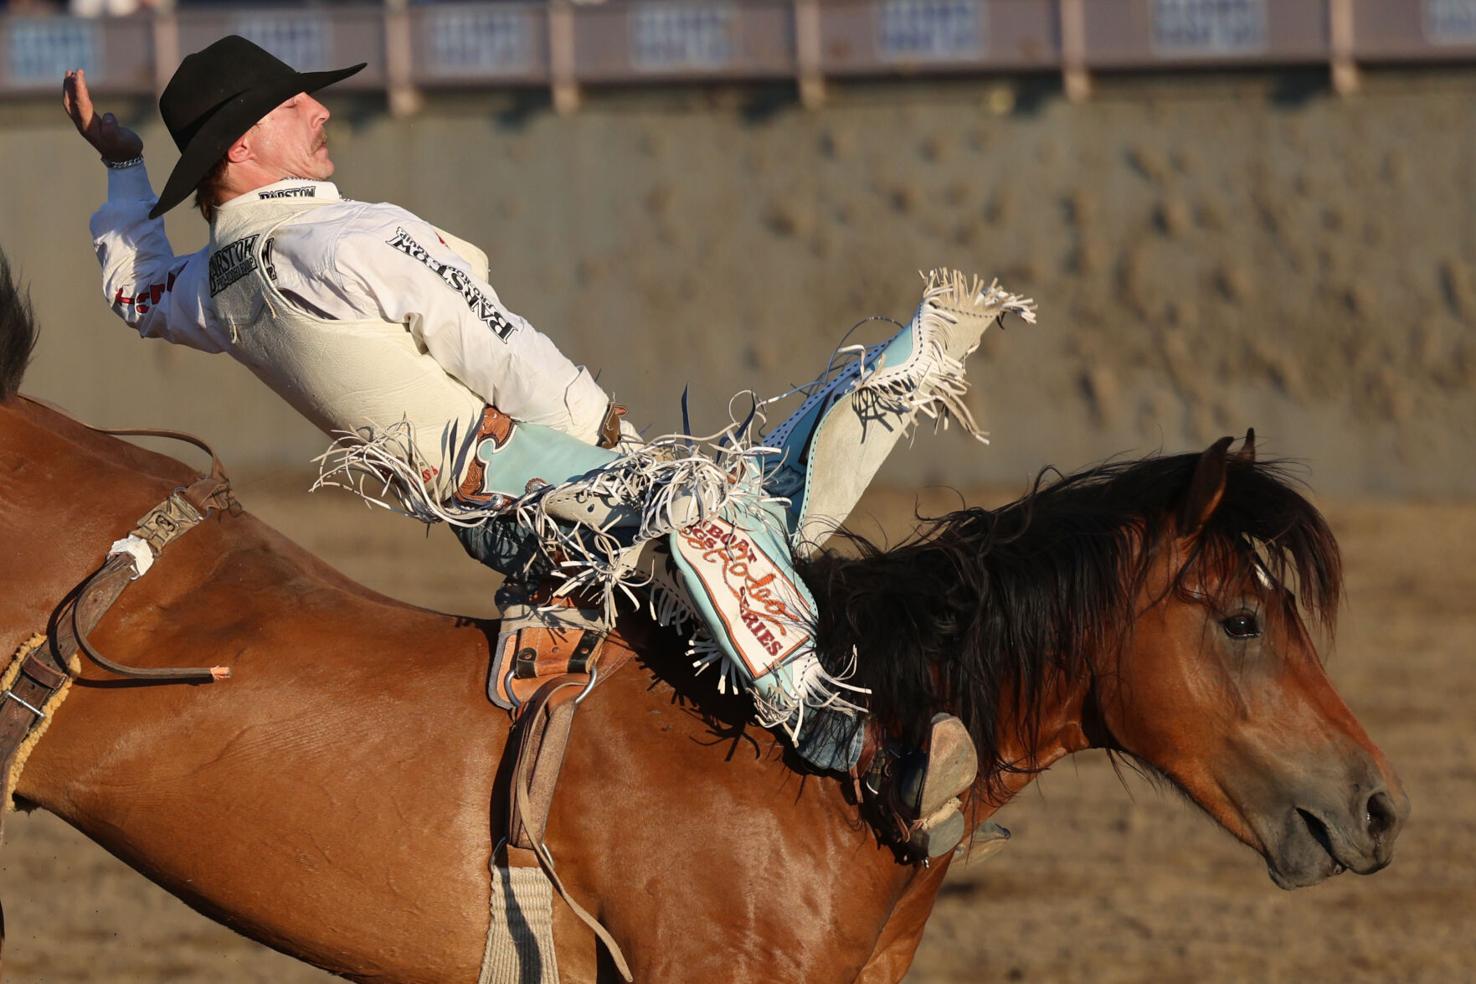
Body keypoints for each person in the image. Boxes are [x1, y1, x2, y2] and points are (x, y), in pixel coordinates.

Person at [67, 35, 1007, 856]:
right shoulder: (352, 236)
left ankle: (909, 372)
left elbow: (134, 294)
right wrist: (612, 433)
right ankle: (851, 740)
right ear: (244, 144)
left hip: (482, 514)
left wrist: (121, 168)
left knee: (745, 506)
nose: (317, 106)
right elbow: (497, 345)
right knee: (711, 511)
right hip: (539, 473)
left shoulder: (222, 281)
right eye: (290, 103)